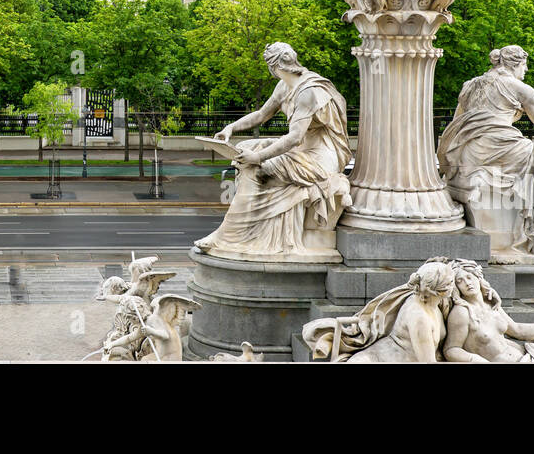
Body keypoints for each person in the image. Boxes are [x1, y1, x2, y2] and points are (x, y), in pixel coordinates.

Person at [193, 42, 352, 260]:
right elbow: (260, 114)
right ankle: (247, 231)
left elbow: (294, 138)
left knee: (255, 167)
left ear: (273, 66)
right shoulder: (284, 86)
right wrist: (230, 128)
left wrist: (258, 157)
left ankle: (227, 235)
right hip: (301, 149)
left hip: (319, 157)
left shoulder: (309, 92)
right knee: (245, 148)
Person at [438, 45, 534, 252]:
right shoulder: (521, 89)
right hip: (506, 151)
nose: (525, 71)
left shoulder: (469, 86)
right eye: (525, 66)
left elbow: (457, 123)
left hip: (471, 153)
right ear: (517, 64)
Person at [303, 259, 456, 363]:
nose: (454, 286)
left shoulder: (429, 303)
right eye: (451, 283)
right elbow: (427, 362)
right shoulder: (419, 317)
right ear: (440, 291)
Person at [443, 260, 534, 363]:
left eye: (469, 277)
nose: (467, 283)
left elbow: (518, 330)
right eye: (460, 281)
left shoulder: (490, 304)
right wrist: (478, 361)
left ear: (478, 277)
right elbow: (451, 350)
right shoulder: (461, 313)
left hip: (526, 355)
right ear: (456, 288)